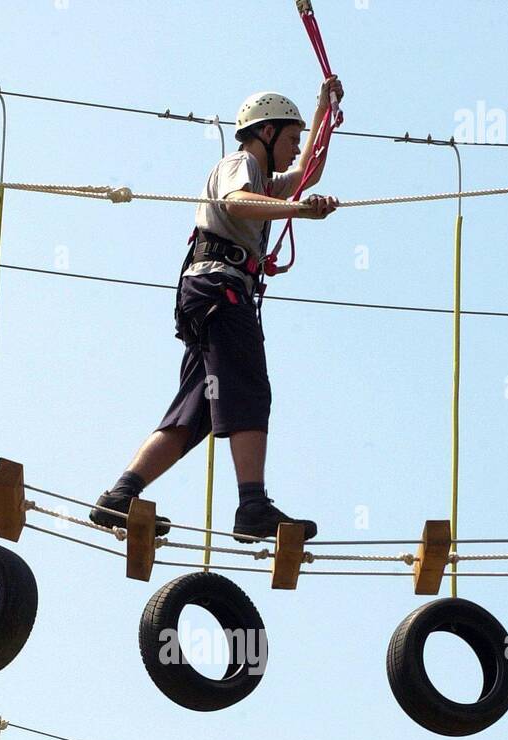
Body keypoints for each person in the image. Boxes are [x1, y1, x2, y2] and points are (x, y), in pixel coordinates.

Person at [89, 79, 343, 544]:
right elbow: (236, 201)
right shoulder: (239, 163)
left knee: (198, 410)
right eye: (289, 139)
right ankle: (252, 506)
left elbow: (310, 172)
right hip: (220, 291)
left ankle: (120, 495)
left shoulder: (265, 177)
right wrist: (300, 210)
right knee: (248, 387)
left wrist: (325, 109)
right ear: (264, 134)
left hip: (208, 294)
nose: (294, 149)